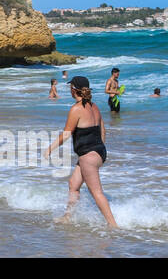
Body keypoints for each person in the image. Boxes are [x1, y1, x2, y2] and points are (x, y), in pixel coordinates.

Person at [45, 75, 118, 228]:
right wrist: (100, 149)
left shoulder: (76, 109)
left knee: (96, 192)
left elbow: (66, 134)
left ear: (74, 90)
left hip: (88, 155)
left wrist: (50, 149)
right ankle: (68, 217)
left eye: (70, 87)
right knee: (73, 184)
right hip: (98, 151)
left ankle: (113, 225)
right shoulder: (94, 106)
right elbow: (102, 128)